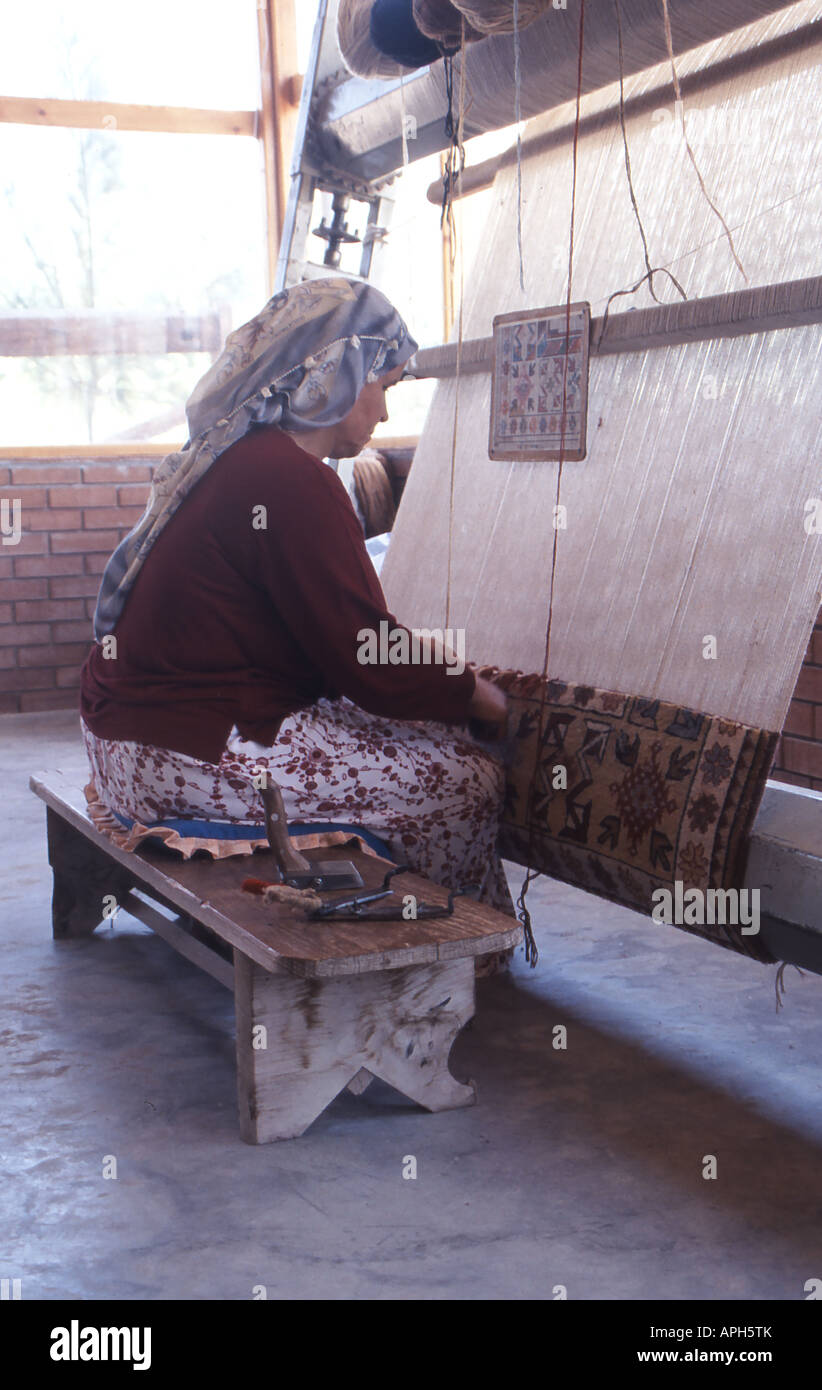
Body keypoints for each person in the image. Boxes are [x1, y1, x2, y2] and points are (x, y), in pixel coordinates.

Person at [80, 275, 514, 944]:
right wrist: (477, 696)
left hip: (125, 736)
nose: (386, 416)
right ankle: (443, 961)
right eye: (386, 387)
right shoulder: (291, 481)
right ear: (338, 372)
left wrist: (435, 690)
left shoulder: (236, 457)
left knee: (410, 737)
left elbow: (336, 645)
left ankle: (381, 921)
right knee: (463, 779)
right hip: (176, 754)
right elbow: (369, 660)